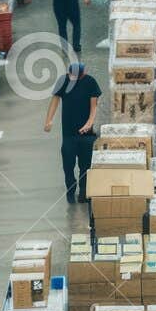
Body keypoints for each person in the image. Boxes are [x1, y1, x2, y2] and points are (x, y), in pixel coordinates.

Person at [44, 60, 101, 204]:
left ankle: (84, 191)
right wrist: (49, 120)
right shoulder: (63, 81)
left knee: (85, 164)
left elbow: (94, 106)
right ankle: (70, 189)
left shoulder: (90, 82)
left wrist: (89, 123)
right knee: (68, 164)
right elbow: (55, 100)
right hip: (69, 133)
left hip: (87, 134)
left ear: (83, 74)